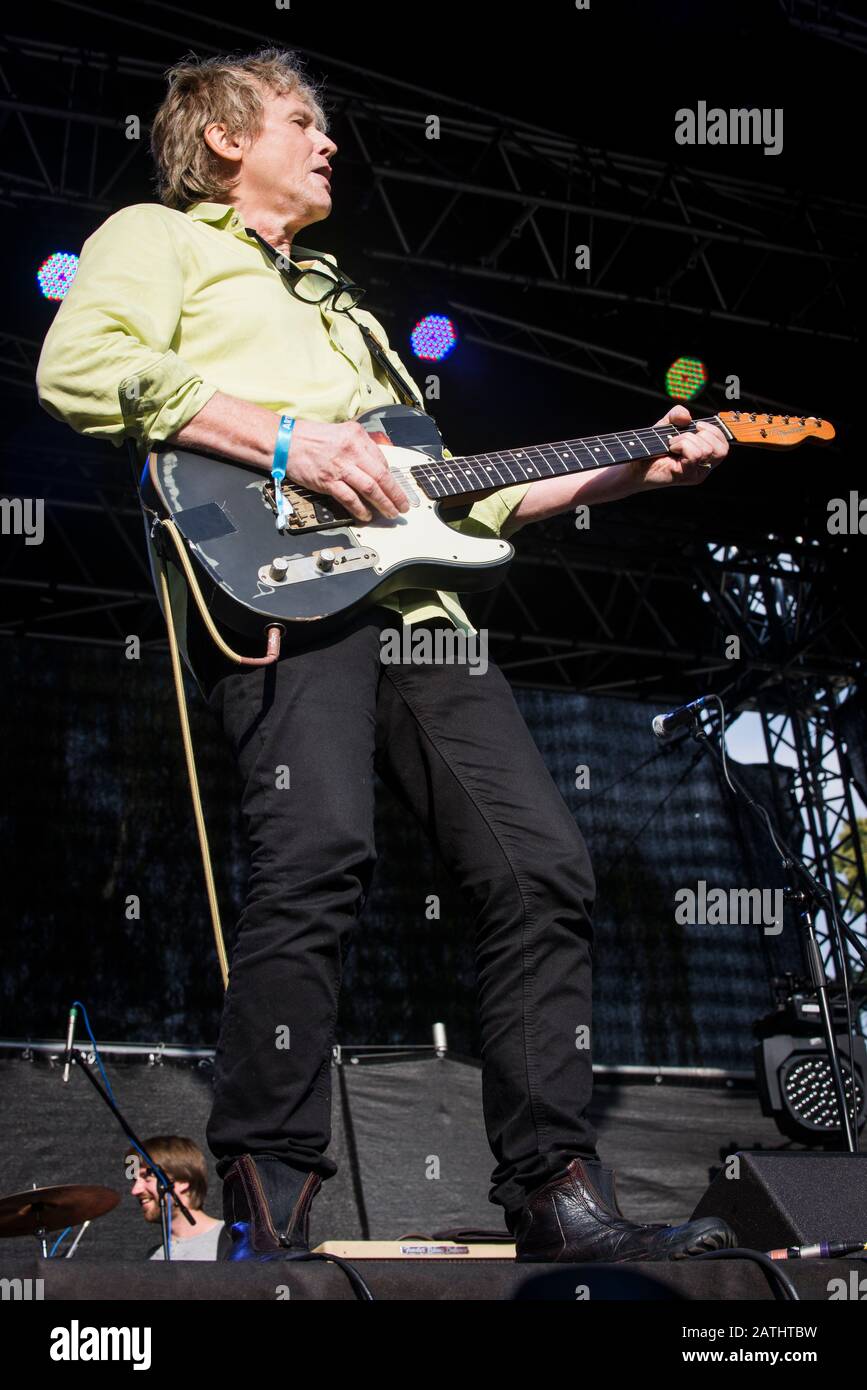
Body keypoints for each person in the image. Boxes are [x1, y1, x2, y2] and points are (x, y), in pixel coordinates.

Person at [37, 48, 734, 1263]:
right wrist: (285, 441)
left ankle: (555, 1187)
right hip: (284, 581)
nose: (330, 143)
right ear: (224, 142)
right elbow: (80, 368)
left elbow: (463, 503)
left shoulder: (345, 304)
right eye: (304, 121)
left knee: (541, 865)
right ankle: (269, 1199)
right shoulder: (157, 237)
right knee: (317, 855)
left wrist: (637, 463)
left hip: (422, 611)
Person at [128, 1135, 224, 1260]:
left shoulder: (235, 1240)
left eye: (146, 1177)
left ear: (183, 1180)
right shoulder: (153, 1258)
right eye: (135, 1180)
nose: (135, 1190)